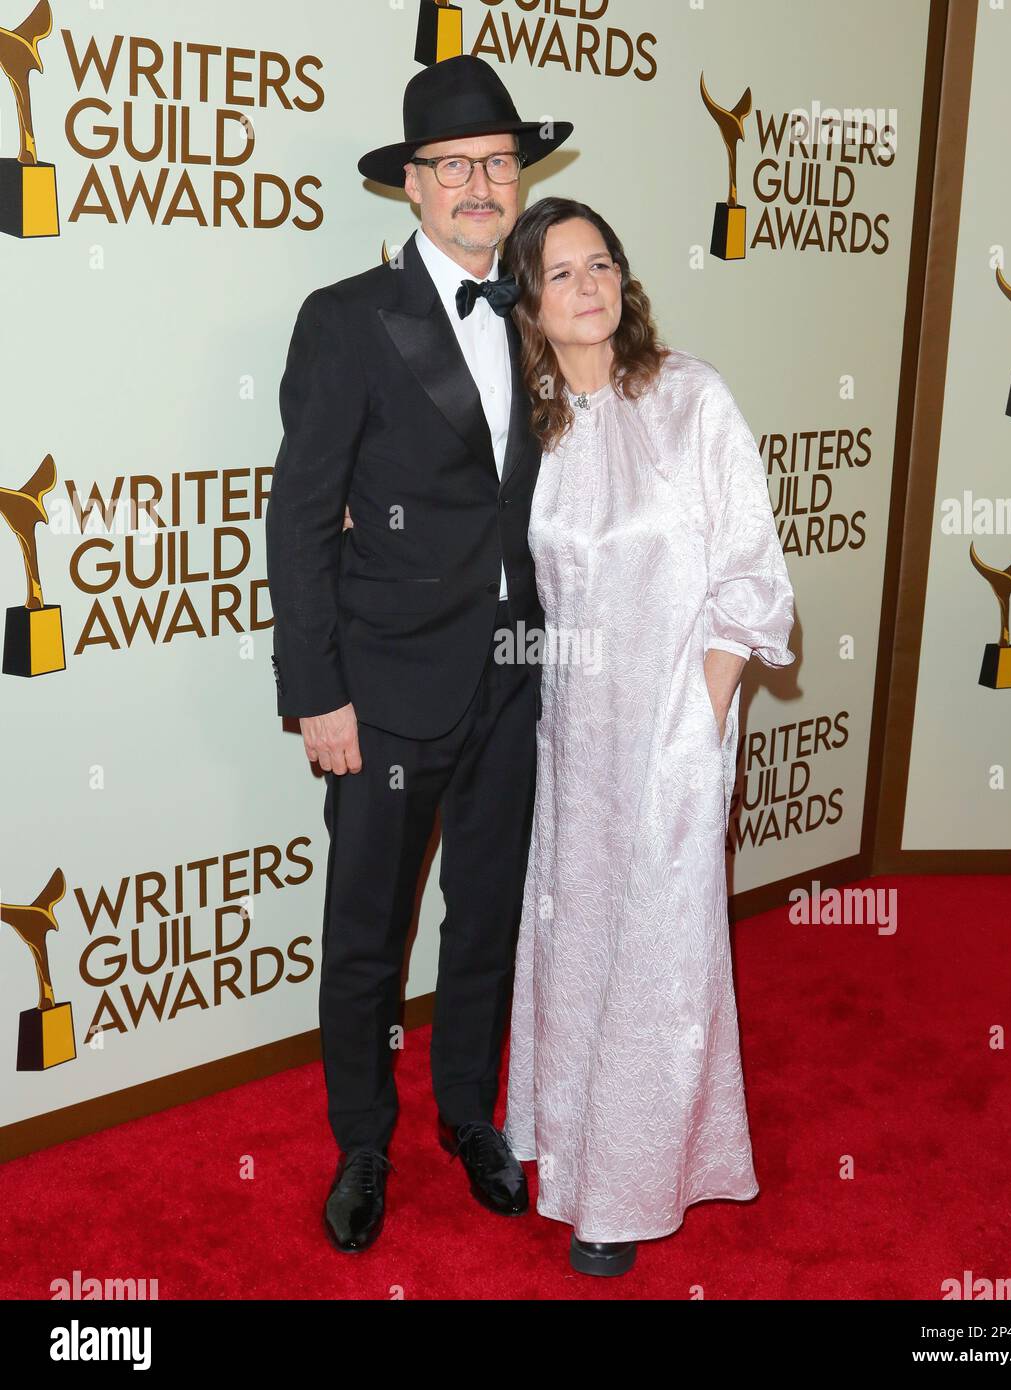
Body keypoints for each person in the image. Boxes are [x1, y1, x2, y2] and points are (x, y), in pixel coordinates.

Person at [264, 57, 573, 1254]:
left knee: (486, 911)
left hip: (514, 673)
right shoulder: (345, 319)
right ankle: (360, 1142)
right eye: (452, 166)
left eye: (497, 162)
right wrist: (316, 692)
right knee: (366, 930)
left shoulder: (545, 308)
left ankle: (466, 1117)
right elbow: (300, 518)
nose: (478, 184)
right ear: (411, 188)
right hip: (384, 689)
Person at [500, 197, 797, 1277]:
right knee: (578, 947)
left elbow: (753, 581)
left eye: (603, 264)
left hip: (674, 726)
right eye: (561, 272)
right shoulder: (525, 425)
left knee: (659, 956)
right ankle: (564, 1147)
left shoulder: (688, 398)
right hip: (572, 740)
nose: (590, 285)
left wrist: (701, 718)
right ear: (527, 302)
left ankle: (621, 1197)